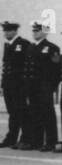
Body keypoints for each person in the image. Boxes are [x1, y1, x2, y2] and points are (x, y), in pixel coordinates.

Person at [21, 20, 61, 151]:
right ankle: (36, 141)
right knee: (34, 113)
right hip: (32, 87)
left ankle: (51, 141)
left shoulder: (52, 48)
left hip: (44, 87)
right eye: (33, 30)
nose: (35, 33)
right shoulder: (31, 47)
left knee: (47, 114)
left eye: (37, 30)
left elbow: (56, 70)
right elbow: (27, 68)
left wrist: (52, 86)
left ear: (44, 32)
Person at [1, 20, 30, 148]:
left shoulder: (23, 44)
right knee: (12, 112)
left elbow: (26, 65)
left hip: (19, 85)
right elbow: (6, 66)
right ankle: (11, 137)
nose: (6, 33)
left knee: (22, 111)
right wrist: (2, 85)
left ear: (15, 31)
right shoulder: (7, 45)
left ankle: (25, 138)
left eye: (8, 30)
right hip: (8, 85)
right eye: (5, 30)